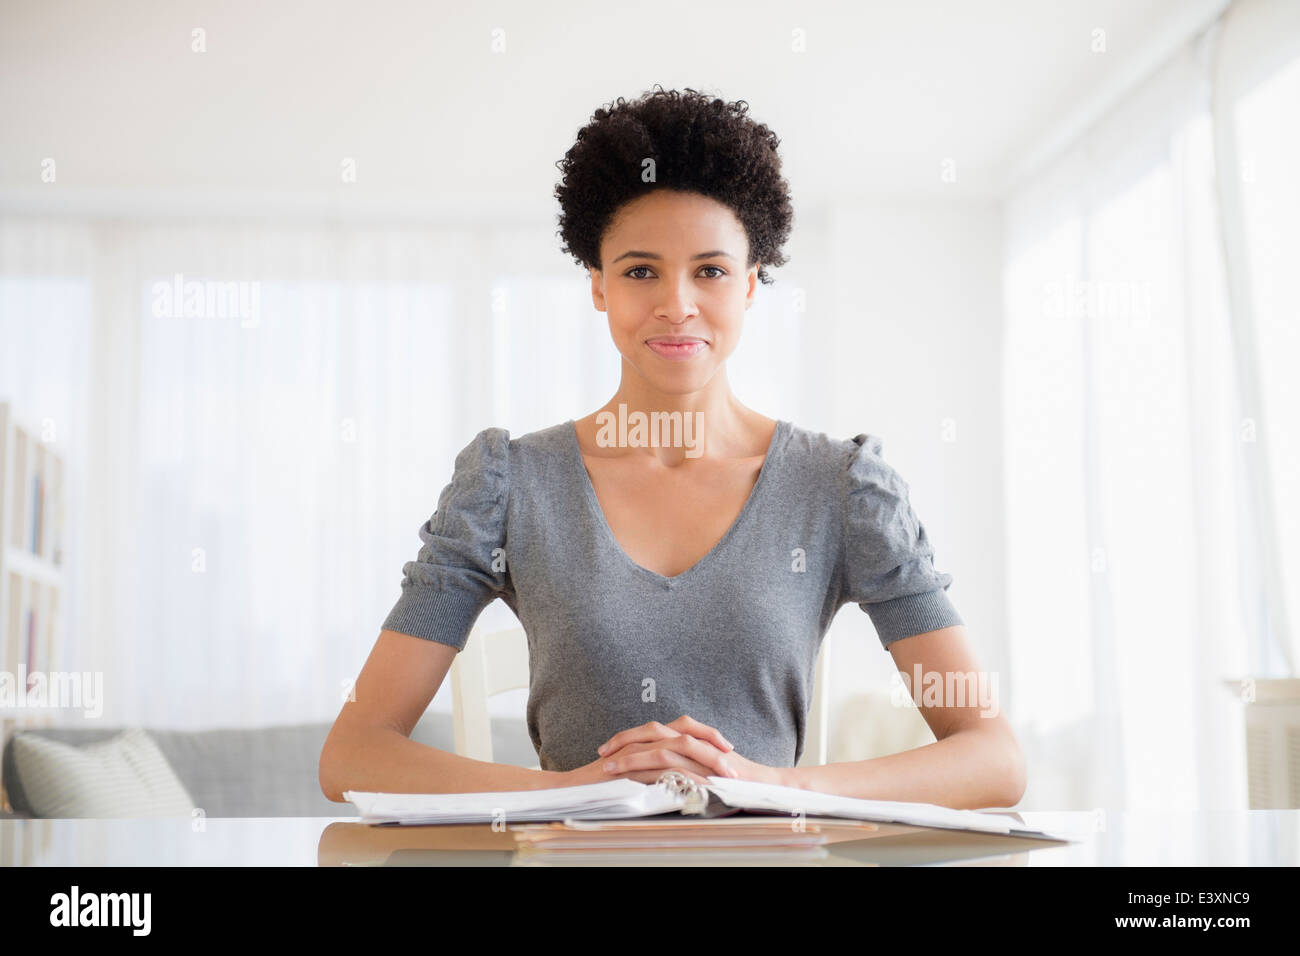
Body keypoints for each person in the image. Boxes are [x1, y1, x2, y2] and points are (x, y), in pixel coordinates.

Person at [319, 86, 1026, 810]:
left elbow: (993, 757)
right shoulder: (508, 486)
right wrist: (565, 793)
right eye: (639, 270)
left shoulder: (839, 489)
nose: (677, 303)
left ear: (752, 285)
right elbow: (355, 753)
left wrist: (775, 785)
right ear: (598, 285)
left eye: (711, 271)